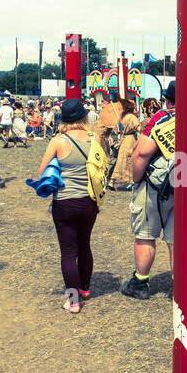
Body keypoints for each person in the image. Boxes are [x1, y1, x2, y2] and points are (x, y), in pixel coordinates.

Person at [37, 98, 100, 312]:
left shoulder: (58, 141)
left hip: (64, 201)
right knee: (85, 244)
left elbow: (42, 173)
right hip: (89, 201)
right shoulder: (94, 138)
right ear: (83, 117)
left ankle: (73, 301)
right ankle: (84, 288)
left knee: (68, 251)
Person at [121, 81, 176, 299]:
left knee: (145, 234)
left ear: (168, 99)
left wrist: (136, 180)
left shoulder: (162, 118)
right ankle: (180, 285)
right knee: (177, 239)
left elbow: (142, 153)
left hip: (155, 184)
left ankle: (140, 282)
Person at [109, 97, 140, 189]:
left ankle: (112, 181)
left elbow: (115, 130)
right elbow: (138, 128)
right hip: (130, 139)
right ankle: (131, 181)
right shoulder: (132, 117)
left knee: (120, 161)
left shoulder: (123, 116)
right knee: (130, 161)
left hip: (123, 139)